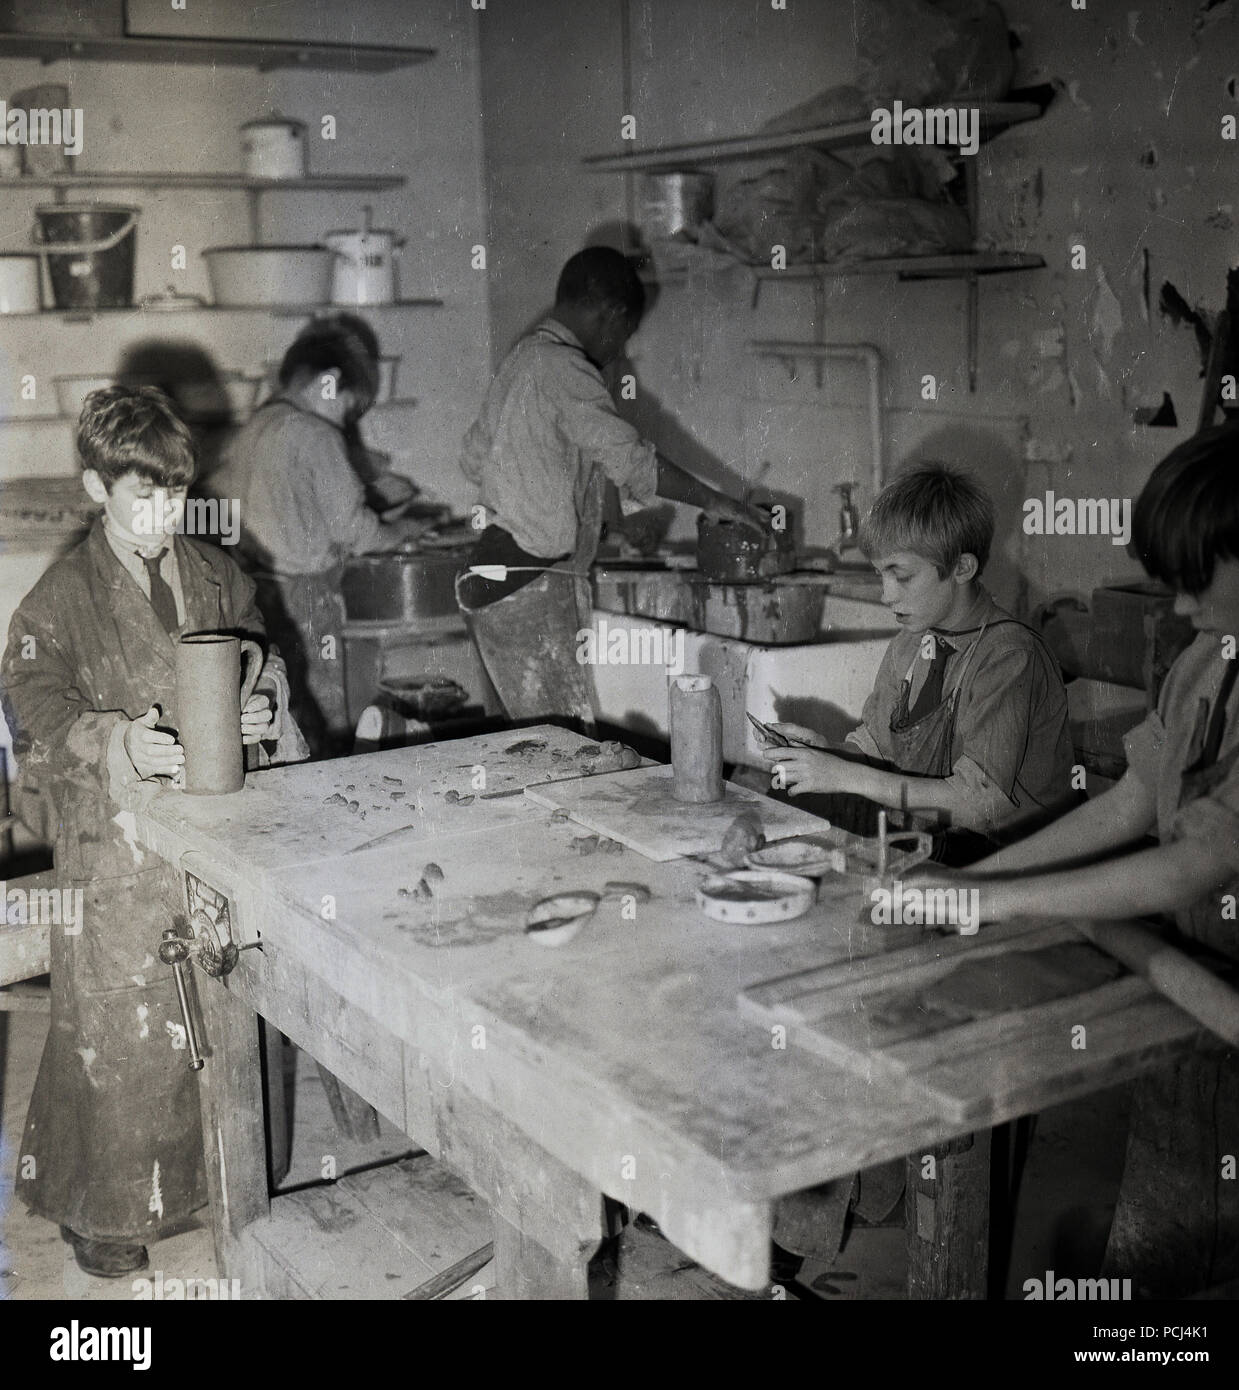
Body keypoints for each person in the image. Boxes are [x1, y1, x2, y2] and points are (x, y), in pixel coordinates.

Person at [908, 423, 1239, 1297]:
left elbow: (1194, 867)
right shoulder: (1205, 664)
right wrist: (974, 883)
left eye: (1194, 581)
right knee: (1160, 1256)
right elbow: (1132, 804)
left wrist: (994, 907)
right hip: (1185, 998)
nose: (1176, 606)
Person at [1, 386, 301, 1278]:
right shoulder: (60, 597)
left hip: (215, 820)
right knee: (124, 1027)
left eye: (176, 493)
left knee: (221, 1005)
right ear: (96, 488)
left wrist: (264, 701)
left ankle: (226, 1183)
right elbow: (31, 698)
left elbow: (261, 644)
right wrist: (116, 739)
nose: (166, 514)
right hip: (115, 842)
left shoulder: (211, 569)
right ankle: (107, 1212)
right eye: (144, 496)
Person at [458, 245, 761, 730]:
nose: (620, 348)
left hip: (491, 578)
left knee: (517, 750)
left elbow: (475, 457)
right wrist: (714, 500)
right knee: (562, 751)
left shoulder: (524, 358)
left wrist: (601, 520)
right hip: (530, 582)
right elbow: (631, 458)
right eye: (625, 333)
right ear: (612, 315)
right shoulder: (564, 368)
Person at [757, 463, 1075, 865]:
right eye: (880, 576)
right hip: (939, 832)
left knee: (849, 838)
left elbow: (981, 807)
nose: (886, 595)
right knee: (792, 795)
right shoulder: (910, 643)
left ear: (961, 568)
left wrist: (844, 776)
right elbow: (875, 749)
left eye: (901, 577)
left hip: (1010, 850)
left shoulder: (1009, 656)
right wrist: (827, 756)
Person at [214, 321, 429, 757]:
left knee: (282, 715)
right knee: (325, 712)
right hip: (306, 597)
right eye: (349, 410)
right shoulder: (317, 435)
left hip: (254, 593)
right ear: (328, 384)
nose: (347, 425)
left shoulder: (254, 427)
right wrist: (409, 528)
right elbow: (360, 532)